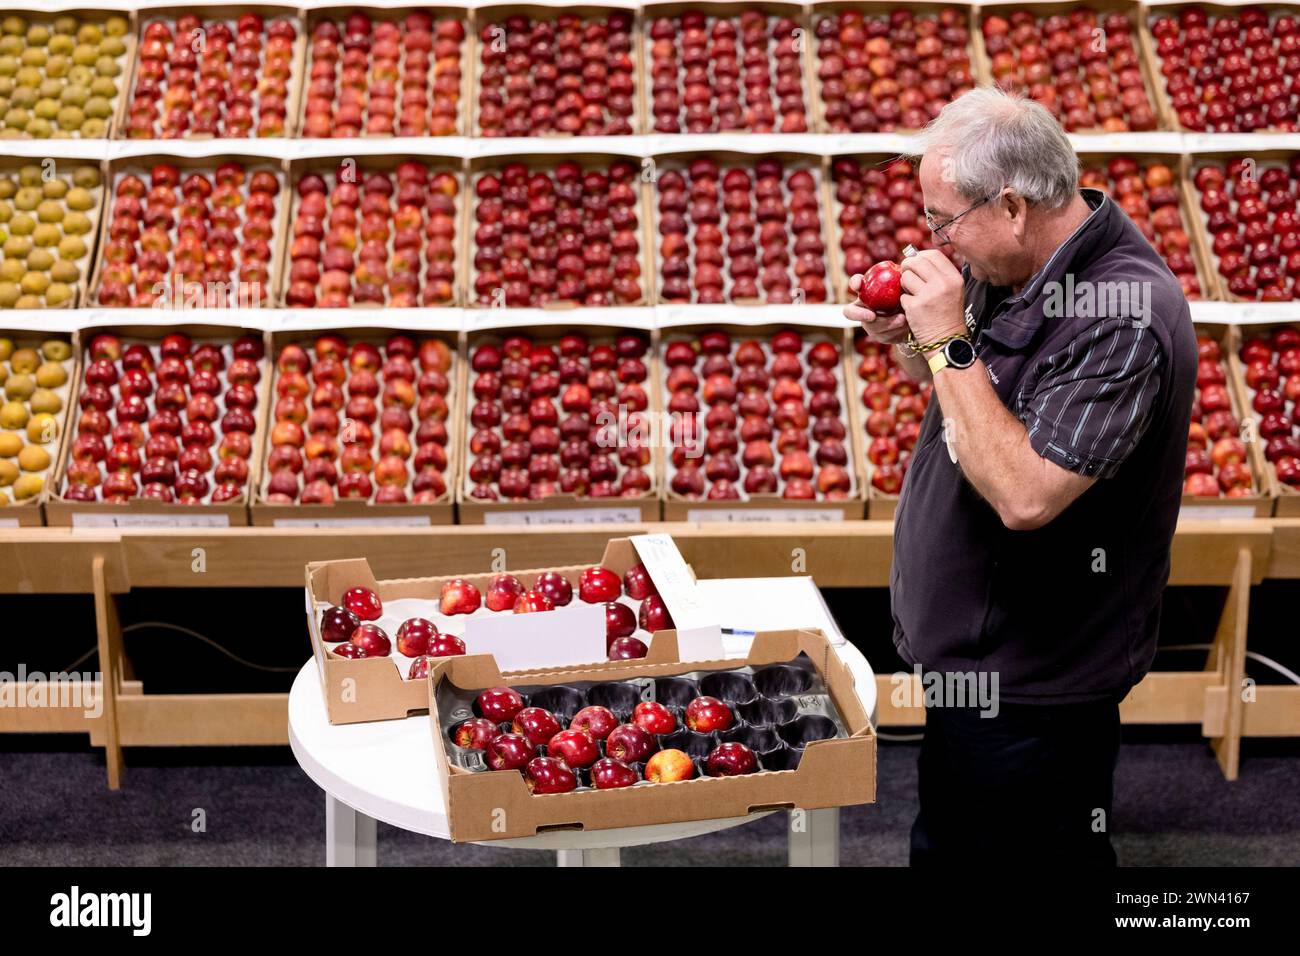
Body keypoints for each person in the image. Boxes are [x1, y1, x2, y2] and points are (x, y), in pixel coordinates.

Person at [844, 87, 1196, 866]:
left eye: (944, 220)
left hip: (1034, 685)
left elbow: (1026, 495)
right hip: (977, 662)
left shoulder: (1121, 314)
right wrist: (914, 340)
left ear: (1010, 205)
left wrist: (945, 338)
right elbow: (972, 396)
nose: (935, 240)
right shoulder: (1017, 266)